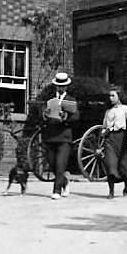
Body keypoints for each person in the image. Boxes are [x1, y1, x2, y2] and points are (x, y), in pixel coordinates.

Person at [42, 72, 79, 200]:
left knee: (60, 164)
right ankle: (64, 181)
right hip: (50, 135)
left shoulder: (71, 100)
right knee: (52, 163)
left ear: (66, 86)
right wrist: (45, 114)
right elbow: (42, 114)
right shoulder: (49, 99)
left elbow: (76, 116)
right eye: (58, 86)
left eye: (62, 86)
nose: (60, 88)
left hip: (64, 136)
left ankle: (57, 190)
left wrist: (66, 117)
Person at [102, 87, 127, 198]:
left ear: (119, 96)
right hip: (110, 139)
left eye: (113, 95)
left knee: (124, 166)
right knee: (110, 164)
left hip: (123, 139)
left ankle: (126, 183)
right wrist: (104, 131)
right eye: (109, 96)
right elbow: (104, 126)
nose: (111, 98)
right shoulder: (108, 111)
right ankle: (111, 192)